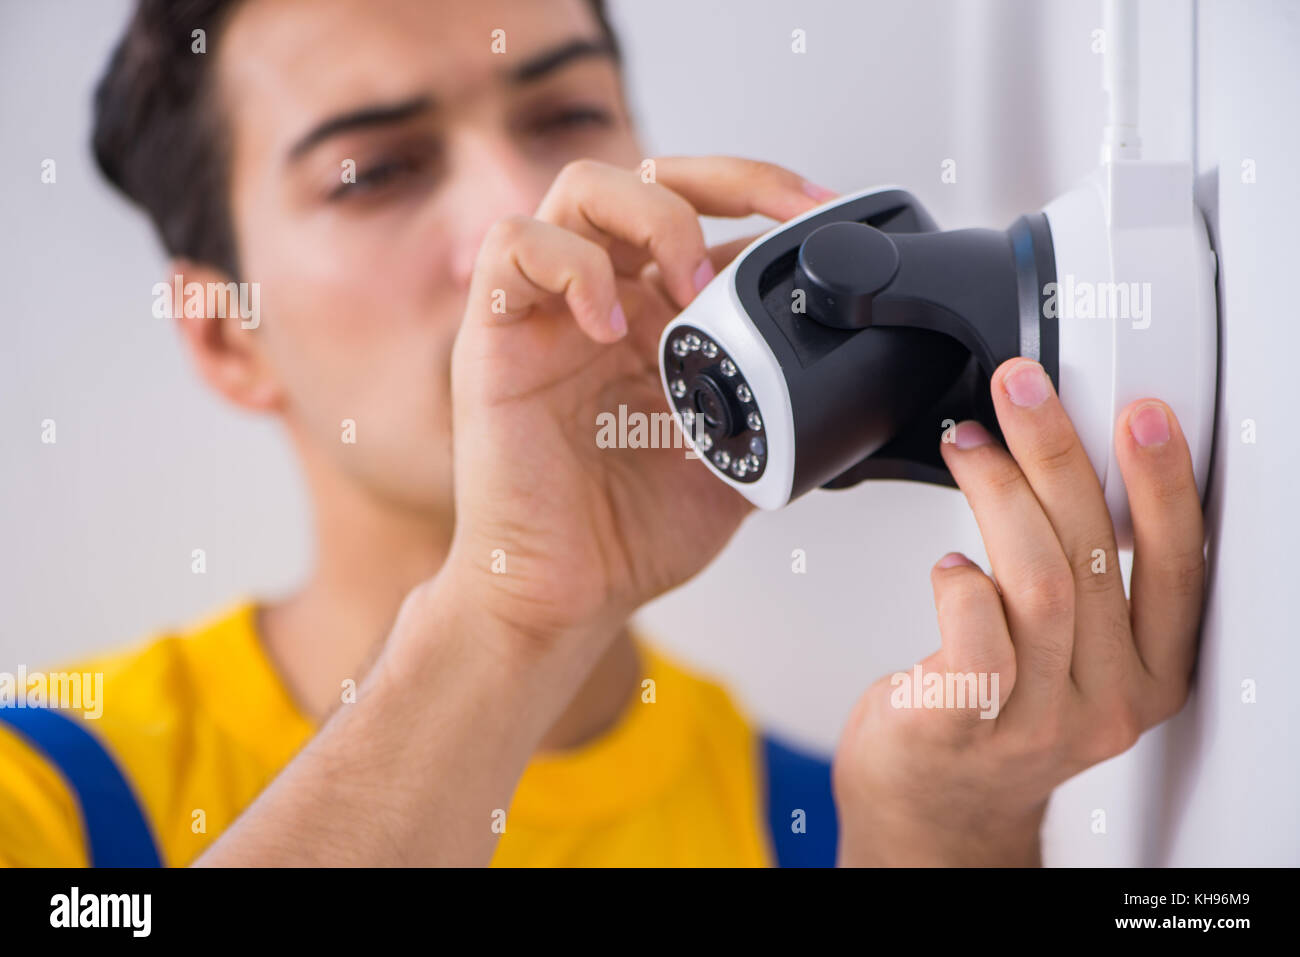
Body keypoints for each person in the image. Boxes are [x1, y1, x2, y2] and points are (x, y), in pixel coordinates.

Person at [0, 0, 1204, 867]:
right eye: (374, 172)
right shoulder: (45, 799)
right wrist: (511, 611)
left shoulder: (831, 824)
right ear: (227, 335)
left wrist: (944, 843)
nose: (507, 213)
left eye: (566, 111)